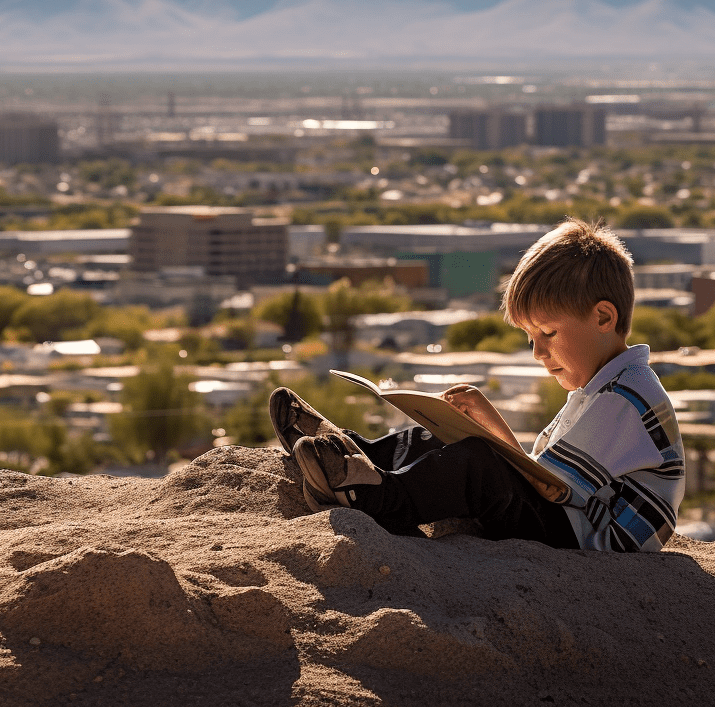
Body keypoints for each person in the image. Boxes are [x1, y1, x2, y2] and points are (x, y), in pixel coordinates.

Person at [269, 218, 685, 551]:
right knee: (445, 438)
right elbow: (538, 475)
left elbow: (549, 488)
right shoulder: (607, 386)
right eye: (531, 338)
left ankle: (377, 498)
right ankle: (353, 452)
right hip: (569, 519)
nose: (538, 353)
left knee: (475, 462)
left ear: (603, 318)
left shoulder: (622, 399)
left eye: (548, 333)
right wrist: (486, 422)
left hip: (586, 540)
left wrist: (485, 440)